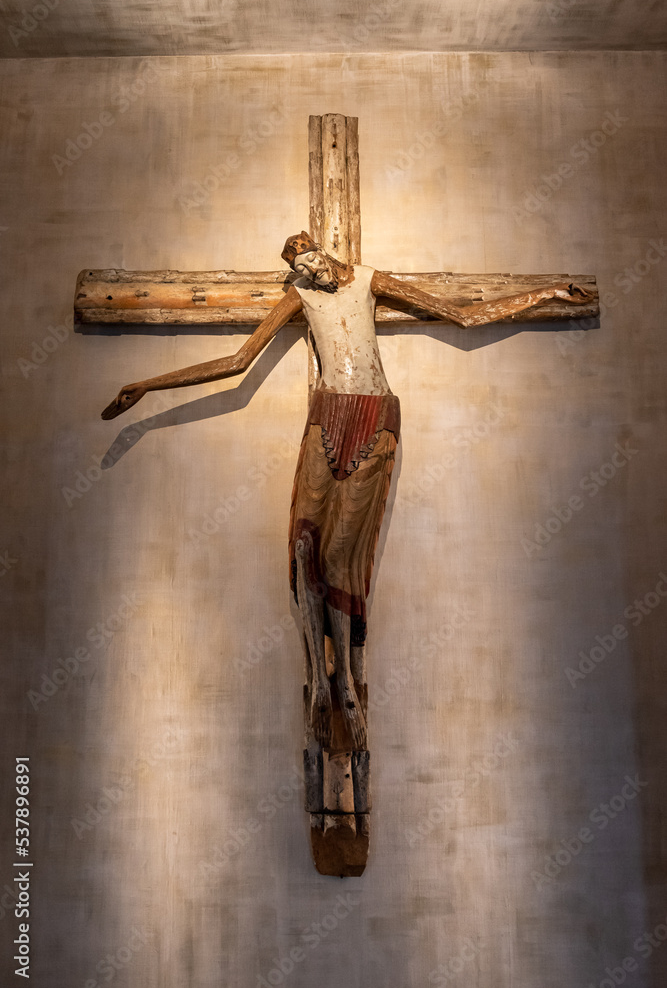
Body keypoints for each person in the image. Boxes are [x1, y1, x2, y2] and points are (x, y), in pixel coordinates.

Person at [102, 231, 592, 750]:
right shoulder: (300, 297)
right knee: (302, 544)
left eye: (310, 257)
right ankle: (318, 676)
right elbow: (236, 362)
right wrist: (148, 385)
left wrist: (548, 294)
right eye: (299, 265)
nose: (310, 269)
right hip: (326, 415)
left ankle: (351, 685)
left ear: (324, 251)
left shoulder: (367, 281)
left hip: (376, 415)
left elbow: (461, 315)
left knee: (339, 555)